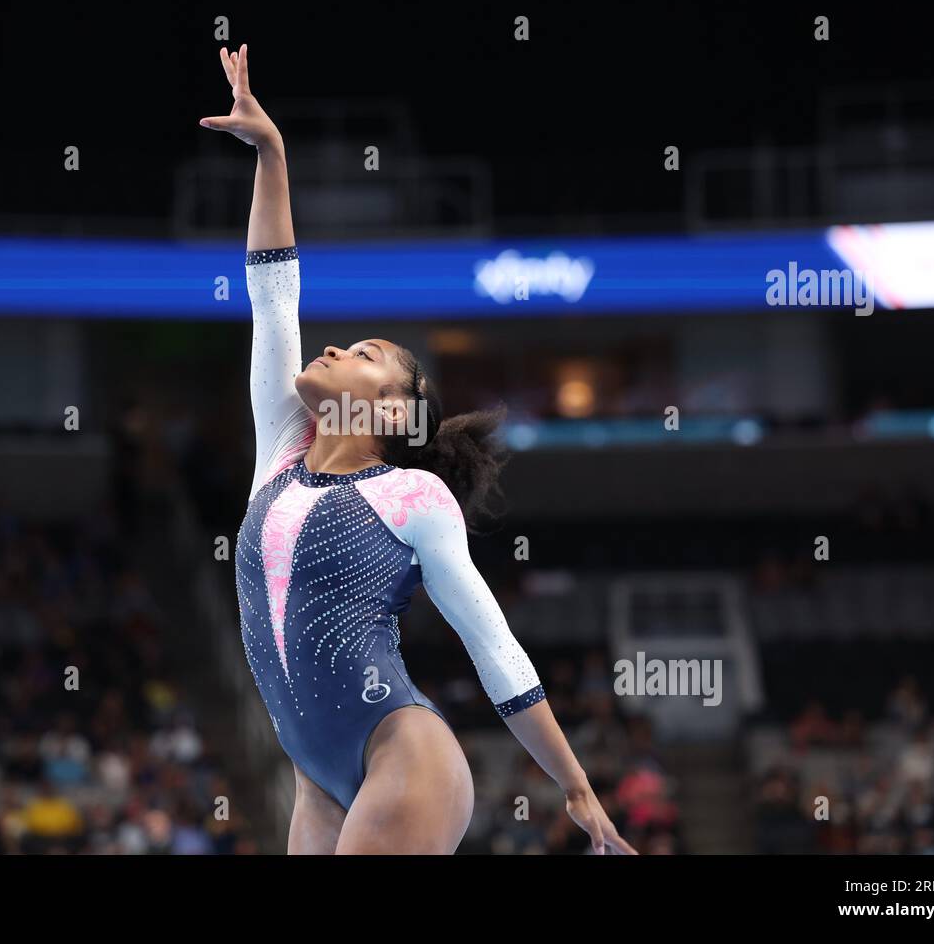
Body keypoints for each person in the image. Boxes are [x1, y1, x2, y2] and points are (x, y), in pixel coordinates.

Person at [203, 44, 635, 856]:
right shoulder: (278, 455)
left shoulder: (411, 498)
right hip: (317, 782)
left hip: (402, 757)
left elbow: (491, 640)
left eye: (365, 353)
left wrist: (576, 788)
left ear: (395, 407)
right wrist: (271, 153)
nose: (333, 350)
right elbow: (273, 296)